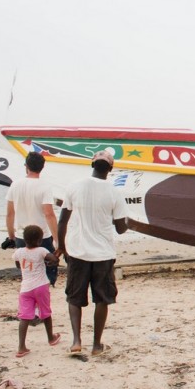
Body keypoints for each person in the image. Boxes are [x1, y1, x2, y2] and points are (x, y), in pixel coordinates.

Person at [57, 150, 129, 356]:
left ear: (92, 164)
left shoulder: (74, 186)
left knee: (74, 297)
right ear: (111, 169)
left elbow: (63, 220)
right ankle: (97, 345)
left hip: (77, 251)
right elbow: (120, 228)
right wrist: (127, 222)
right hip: (103, 254)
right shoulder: (114, 192)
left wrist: (62, 247)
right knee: (102, 299)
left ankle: (76, 341)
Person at [5, 151, 59, 287]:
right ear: (42, 167)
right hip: (42, 235)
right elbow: (49, 214)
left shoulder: (15, 185)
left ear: (26, 166)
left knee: (27, 271)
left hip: (21, 235)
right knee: (48, 270)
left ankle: (31, 295)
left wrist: (11, 235)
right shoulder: (45, 186)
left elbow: (10, 213)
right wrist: (58, 239)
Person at [13, 225, 62, 357]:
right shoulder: (41, 250)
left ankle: (21, 346)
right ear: (40, 240)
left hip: (25, 288)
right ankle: (51, 338)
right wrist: (53, 259)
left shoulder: (19, 252)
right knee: (45, 312)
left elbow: (18, 265)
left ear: (24, 239)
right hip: (41, 286)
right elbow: (54, 259)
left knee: (24, 316)